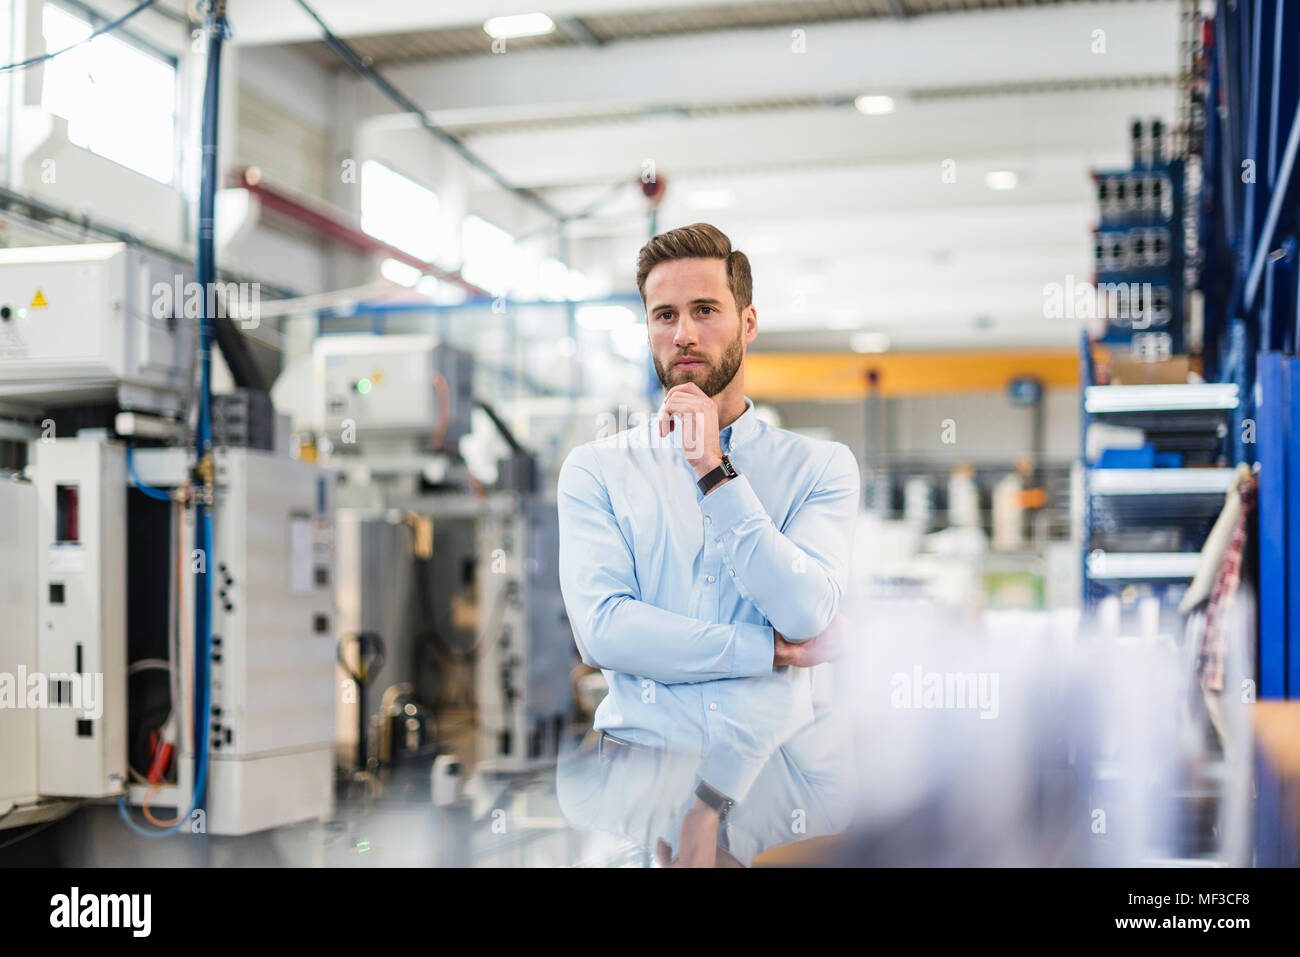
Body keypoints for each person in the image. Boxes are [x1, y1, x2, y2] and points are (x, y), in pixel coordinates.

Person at [555, 222, 860, 866]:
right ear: (647, 328)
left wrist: (713, 471)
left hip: (774, 799)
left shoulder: (820, 469)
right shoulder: (596, 470)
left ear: (747, 323)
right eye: (664, 314)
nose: (684, 333)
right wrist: (767, 649)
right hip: (632, 792)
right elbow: (604, 631)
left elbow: (806, 613)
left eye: (704, 310)